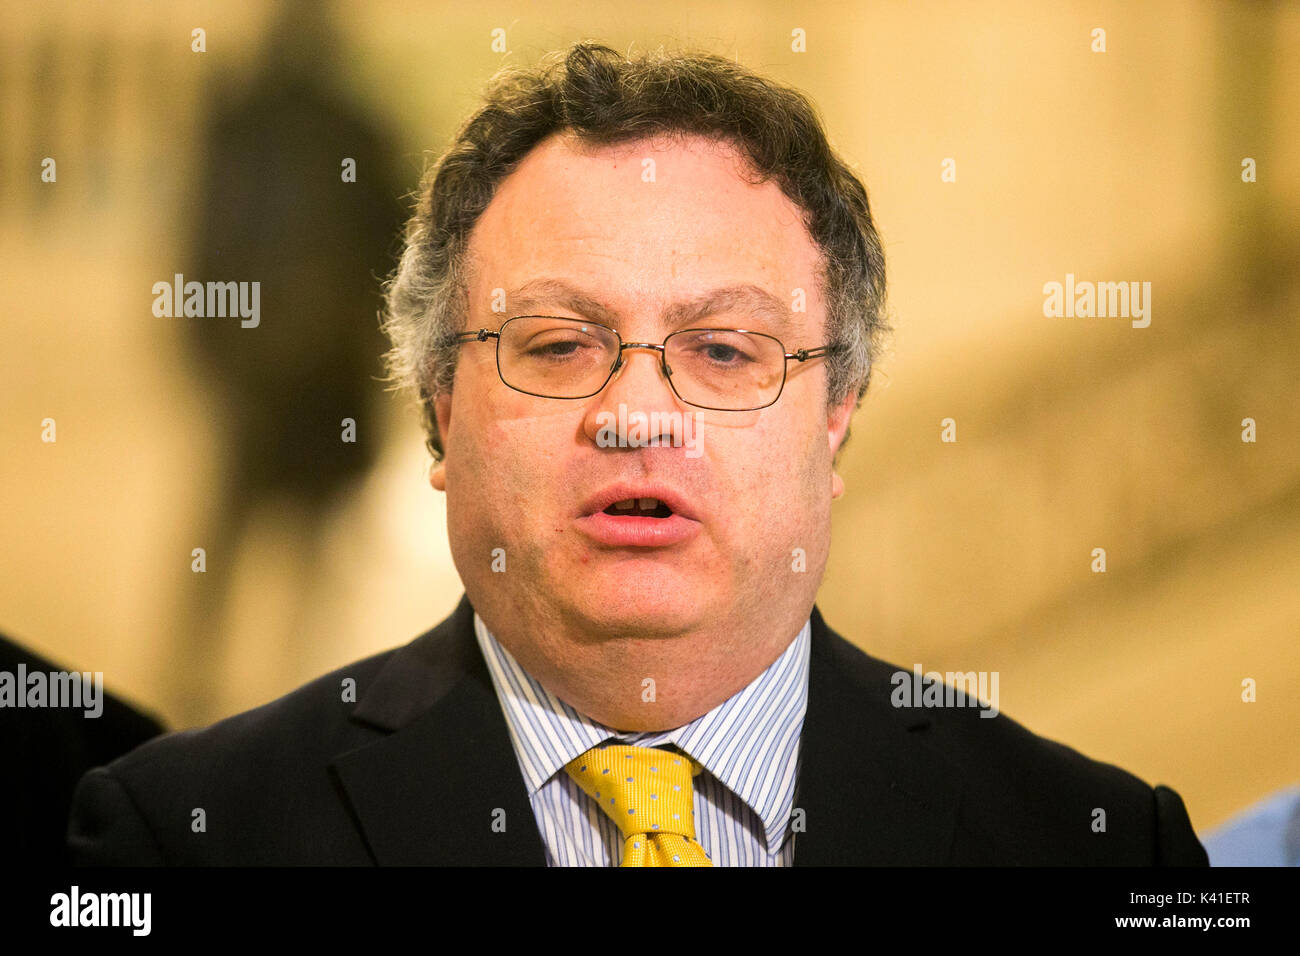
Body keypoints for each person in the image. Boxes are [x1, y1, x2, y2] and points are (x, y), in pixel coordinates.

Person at [68, 42, 1208, 866]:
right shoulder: (174, 844)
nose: (637, 415)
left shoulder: (1104, 852)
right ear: (439, 409)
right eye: (560, 346)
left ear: (836, 411)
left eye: (722, 348)